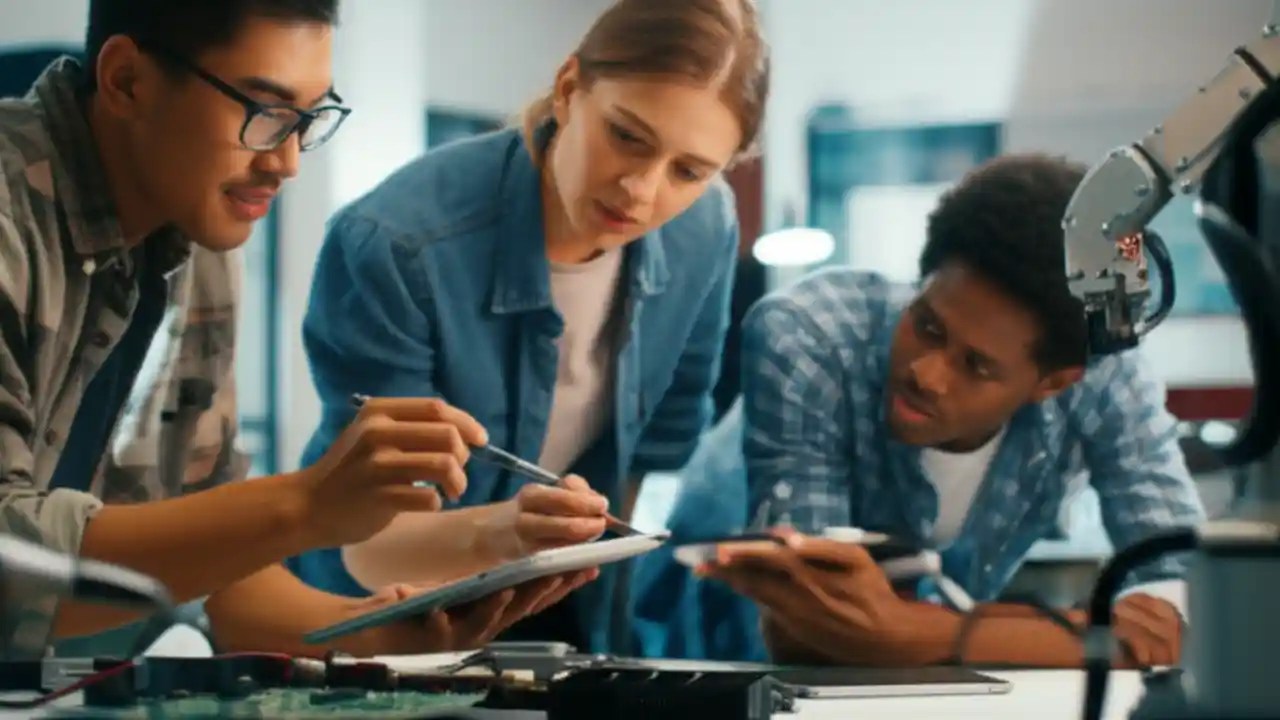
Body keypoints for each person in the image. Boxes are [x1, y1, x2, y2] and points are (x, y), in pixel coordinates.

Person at [0, 0, 593, 661]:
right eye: (264, 112)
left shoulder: (196, 234)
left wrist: (374, 631)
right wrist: (304, 506)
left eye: (308, 119)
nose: (287, 163)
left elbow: (218, 577)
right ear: (126, 81)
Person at [287, 0, 771, 653]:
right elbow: (367, 540)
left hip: (565, 608)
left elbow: (657, 455)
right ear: (570, 88)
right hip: (374, 614)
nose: (641, 189)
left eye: (689, 170)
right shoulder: (396, 243)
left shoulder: (703, 226)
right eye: (627, 136)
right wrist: (513, 530)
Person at [696, 153, 1206, 668]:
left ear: (1052, 383)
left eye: (977, 366)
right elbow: (802, 626)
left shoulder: (1105, 378)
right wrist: (1091, 638)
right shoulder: (810, 334)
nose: (927, 373)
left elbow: (1188, 597)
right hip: (708, 643)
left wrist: (916, 632)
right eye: (927, 326)